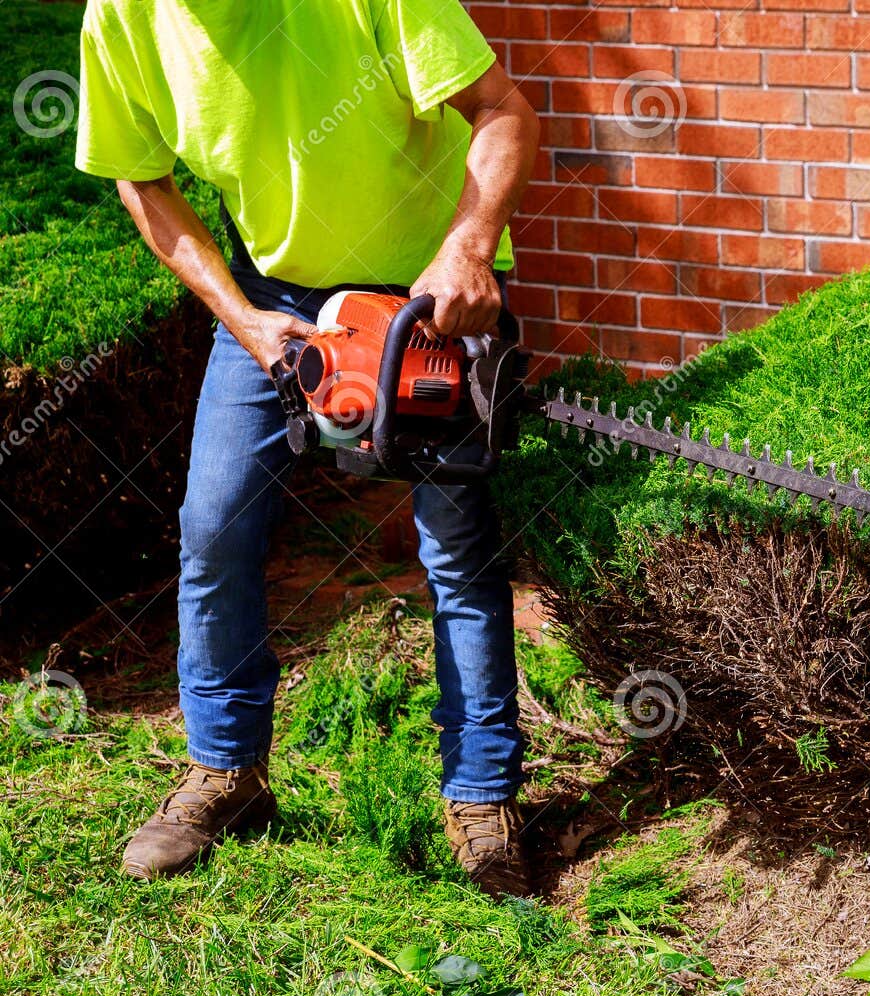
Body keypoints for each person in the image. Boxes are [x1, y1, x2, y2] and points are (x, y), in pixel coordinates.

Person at [74, 0, 542, 897]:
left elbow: (504, 109)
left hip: (428, 289)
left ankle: (482, 797)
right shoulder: (120, 15)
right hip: (272, 298)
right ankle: (226, 771)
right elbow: (142, 181)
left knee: (456, 548)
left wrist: (469, 248)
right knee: (213, 523)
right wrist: (244, 321)